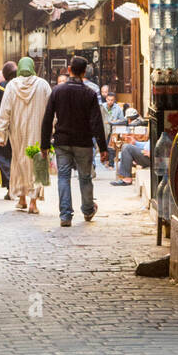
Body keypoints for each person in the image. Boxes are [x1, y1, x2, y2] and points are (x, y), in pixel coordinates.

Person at [40, 55, 108, 227]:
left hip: (62, 141)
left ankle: (65, 215)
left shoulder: (57, 91)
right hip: (83, 142)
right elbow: (96, 122)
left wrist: (44, 144)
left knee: (63, 177)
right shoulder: (90, 94)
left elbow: (47, 118)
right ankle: (87, 210)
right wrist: (103, 148)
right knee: (85, 177)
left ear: (69, 70)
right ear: (84, 72)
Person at [0, 57, 51, 214]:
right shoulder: (43, 85)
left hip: (18, 133)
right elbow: (51, 111)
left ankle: (22, 198)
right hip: (38, 132)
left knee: (19, 162)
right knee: (37, 163)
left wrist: (1, 135)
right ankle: (33, 202)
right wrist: (51, 130)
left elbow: (4, 112)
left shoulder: (12, 85)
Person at [0, 61, 16, 193]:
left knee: (1, 153)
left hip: (2, 122)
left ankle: (9, 182)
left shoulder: (1, 86)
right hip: (18, 123)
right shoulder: (19, 85)